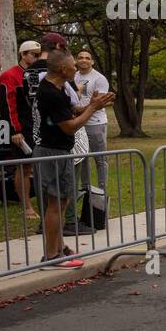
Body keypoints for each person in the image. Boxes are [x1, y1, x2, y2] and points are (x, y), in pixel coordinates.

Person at [33, 49, 114, 267]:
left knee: (62, 201)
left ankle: (60, 247)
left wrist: (93, 104)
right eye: (73, 65)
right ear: (62, 69)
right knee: (55, 204)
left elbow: (72, 111)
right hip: (52, 152)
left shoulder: (57, 89)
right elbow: (70, 127)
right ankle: (52, 255)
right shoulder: (49, 92)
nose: (76, 68)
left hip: (60, 151)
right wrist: (94, 109)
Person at [0, 40, 42, 222]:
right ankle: (27, 206)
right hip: (21, 127)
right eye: (34, 54)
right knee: (23, 167)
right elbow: (7, 105)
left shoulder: (39, 75)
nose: (38, 58)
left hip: (38, 126)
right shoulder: (10, 76)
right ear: (23, 55)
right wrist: (15, 130)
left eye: (39, 54)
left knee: (38, 165)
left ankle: (41, 200)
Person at [73, 49, 110, 203]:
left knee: (99, 159)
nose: (84, 60)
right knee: (82, 157)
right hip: (78, 123)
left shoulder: (99, 79)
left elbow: (99, 103)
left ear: (92, 62)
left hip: (95, 123)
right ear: (76, 60)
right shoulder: (72, 76)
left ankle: (101, 190)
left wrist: (78, 108)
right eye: (80, 57)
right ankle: (86, 188)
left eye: (87, 58)